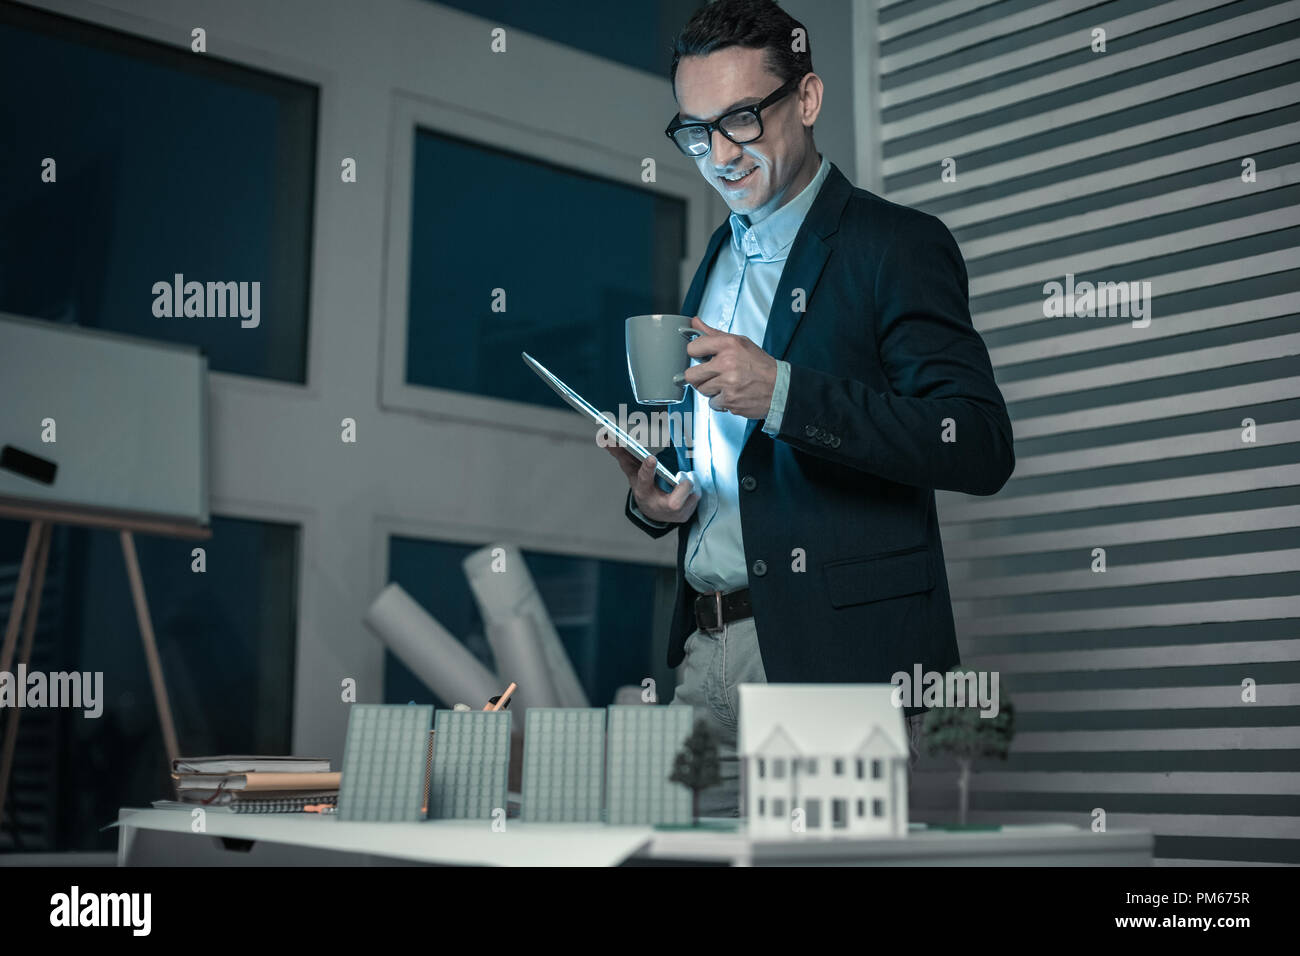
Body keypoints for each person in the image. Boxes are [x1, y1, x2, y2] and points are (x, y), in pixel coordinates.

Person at [604, 0, 1014, 817]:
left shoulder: (894, 245)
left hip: (835, 663)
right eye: (695, 132)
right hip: (703, 649)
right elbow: (739, 479)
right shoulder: (715, 257)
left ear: (809, 99)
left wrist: (784, 393)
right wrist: (659, 497)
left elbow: (977, 443)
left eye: (743, 120)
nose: (720, 156)